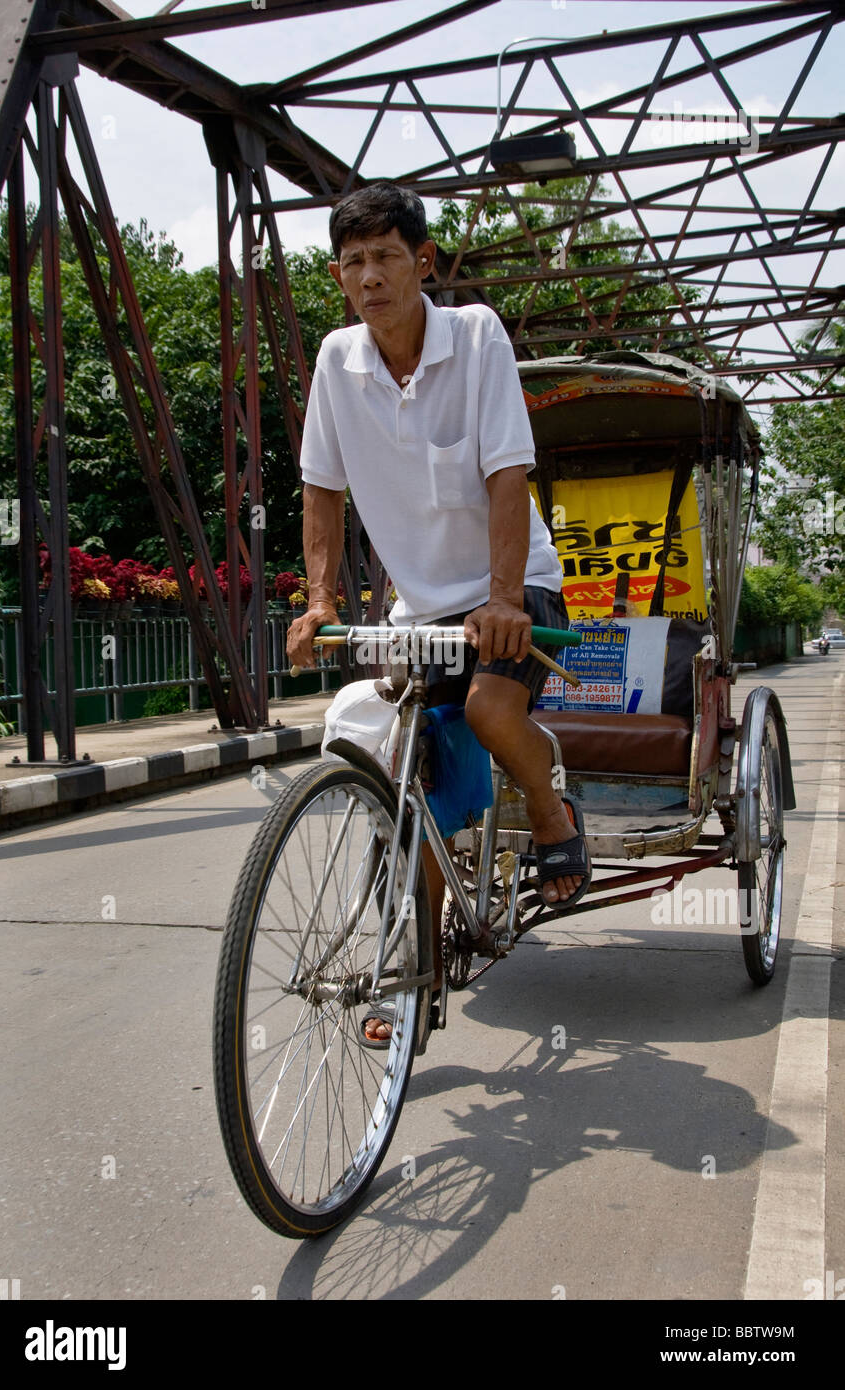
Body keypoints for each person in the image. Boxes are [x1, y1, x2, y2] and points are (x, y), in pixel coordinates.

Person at [286, 182, 591, 1043]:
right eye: (353, 263)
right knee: (402, 780)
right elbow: (320, 491)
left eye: (387, 256)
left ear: (422, 262)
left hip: (512, 584)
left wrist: (502, 602)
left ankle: (550, 810)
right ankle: (401, 973)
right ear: (340, 278)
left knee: (495, 707)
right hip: (419, 608)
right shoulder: (337, 362)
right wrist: (318, 601)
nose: (370, 277)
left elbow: (505, 471)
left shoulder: (476, 335)